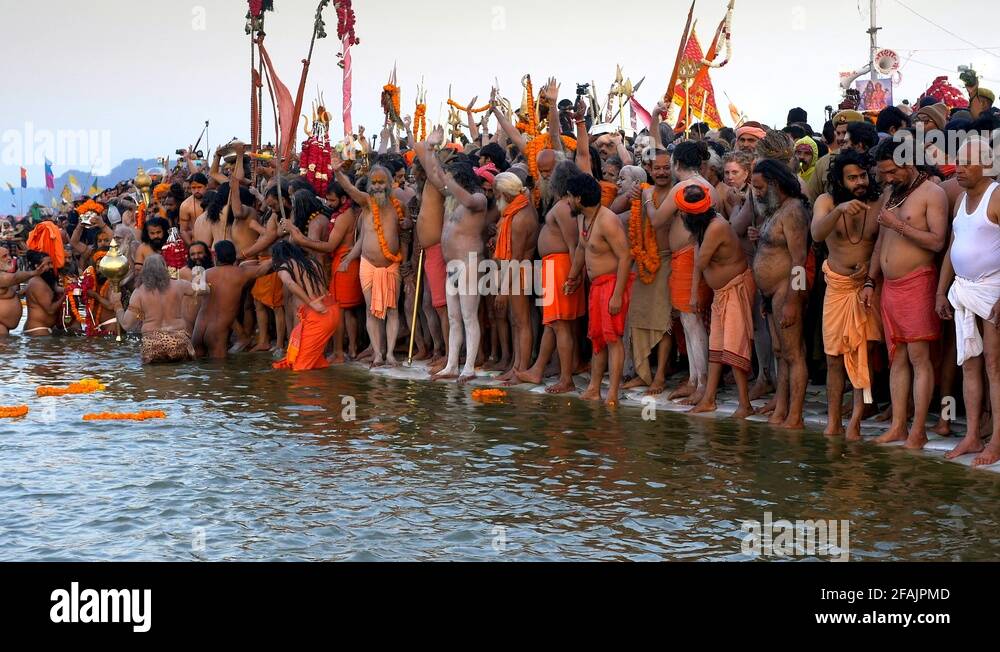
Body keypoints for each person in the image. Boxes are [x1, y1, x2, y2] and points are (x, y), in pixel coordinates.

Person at [868, 136, 948, 449]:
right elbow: (879, 244)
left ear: (908, 162)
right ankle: (899, 425)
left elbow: (937, 242)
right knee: (896, 358)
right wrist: (870, 282)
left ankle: (918, 430)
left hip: (918, 282)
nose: (886, 178)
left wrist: (898, 224)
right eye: (882, 173)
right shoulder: (891, 193)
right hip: (889, 287)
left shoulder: (933, 192)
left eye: (891, 171)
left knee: (918, 357)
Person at [812, 149, 884, 440]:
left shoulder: (879, 202)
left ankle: (855, 419)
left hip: (865, 287)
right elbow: (816, 233)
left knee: (862, 354)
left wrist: (870, 279)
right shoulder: (826, 201)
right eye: (852, 178)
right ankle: (833, 420)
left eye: (862, 176)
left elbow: (881, 245)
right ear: (840, 181)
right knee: (833, 358)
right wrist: (839, 211)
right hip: (837, 287)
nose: (859, 182)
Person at [936, 138, 1000, 465]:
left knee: (994, 366)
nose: (958, 169)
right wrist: (940, 291)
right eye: (957, 162)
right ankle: (973, 434)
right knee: (969, 365)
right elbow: (952, 248)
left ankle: (997, 441)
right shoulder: (960, 198)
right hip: (962, 291)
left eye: (966, 163)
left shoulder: (997, 196)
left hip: (992, 290)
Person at [418, 127, 488, 383]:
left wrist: (449, 182)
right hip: (452, 266)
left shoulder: (478, 198)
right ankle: (451, 364)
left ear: (461, 179)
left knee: (469, 316)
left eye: (451, 179)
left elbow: (469, 201)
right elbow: (433, 172)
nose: (445, 183)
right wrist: (430, 147)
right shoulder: (451, 196)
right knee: (453, 317)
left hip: (470, 263)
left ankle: (468, 366)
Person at [684, 185, 757, 418]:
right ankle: (709, 399)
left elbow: (700, 261)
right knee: (716, 346)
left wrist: (694, 295)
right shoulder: (704, 226)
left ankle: (745, 404)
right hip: (721, 293)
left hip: (735, 289)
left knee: (734, 348)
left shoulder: (715, 227)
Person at [515, 161, 587, 393]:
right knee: (552, 323)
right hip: (554, 266)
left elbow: (574, 244)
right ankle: (537, 371)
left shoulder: (564, 207)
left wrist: (573, 275)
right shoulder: (562, 204)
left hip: (561, 267)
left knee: (560, 325)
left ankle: (566, 379)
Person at [750, 159, 811, 429]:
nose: (757, 193)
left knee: (794, 353)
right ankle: (782, 407)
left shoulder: (793, 211)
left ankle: (794, 415)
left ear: (775, 184)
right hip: (771, 293)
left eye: (760, 187)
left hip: (786, 291)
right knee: (781, 352)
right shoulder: (776, 210)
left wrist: (793, 302)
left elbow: (799, 260)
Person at [335, 157, 409, 367]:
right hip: (368, 264)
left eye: (381, 182)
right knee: (370, 310)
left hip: (392, 264)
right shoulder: (366, 203)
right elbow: (349, 189)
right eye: (374, 183)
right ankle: (378, 354)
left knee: (392, 310)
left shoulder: (398, 206)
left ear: (389, 184)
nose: (377, 187)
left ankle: (391, 354)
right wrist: (338, 173)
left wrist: (408, 223)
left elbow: (405, 234)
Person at [566, 174, 633, 406]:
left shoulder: (607, 220)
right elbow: (581, 249)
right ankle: (594, 388)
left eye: (569, 197)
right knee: (597, 338)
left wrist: (617, 295)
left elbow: (626, 256)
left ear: (579, 198)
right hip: (596, 287)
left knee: (613, 339)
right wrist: (572, 277)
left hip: (613, 284)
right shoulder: (583, 218)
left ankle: (612, 393)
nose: (567, 201)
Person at [110, 254, 203, 364]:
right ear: (165, 267)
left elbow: (126, 324)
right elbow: (203, 289)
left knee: (152, 378)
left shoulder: (139, 292)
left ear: (144, 271)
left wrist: (117, 304)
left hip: (153, 345)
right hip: (178, 342)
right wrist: (199, 272)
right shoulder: (179, 285)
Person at [490, 171, 537, 383]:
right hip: (515, 271)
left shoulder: (520, 217)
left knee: (522, 322)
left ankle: (521, 370)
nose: (494, 197)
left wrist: (502, 290)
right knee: (517, 322)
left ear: (506, 195)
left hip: (520, 272)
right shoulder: (518, 208)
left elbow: (517, 257)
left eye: (495, 193)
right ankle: (516, 367)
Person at [192, 240, 273, 359]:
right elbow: (265, 268)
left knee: (198, 369)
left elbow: (196, 291)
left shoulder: (203, 273)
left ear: (215, 256)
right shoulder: (241, 273)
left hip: (198, 330)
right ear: (234, 256)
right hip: (217, 333)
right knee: (221, 373)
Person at [272, 240, 341, 372]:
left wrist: (311, 303)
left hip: (319, 315)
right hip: (333, 310)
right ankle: (321, 390)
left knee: (300, 369)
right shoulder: (313, 262)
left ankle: (309, 392)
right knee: (314, 363)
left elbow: (290, 284)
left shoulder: (284, 267)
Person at [0, 247, 51, 337]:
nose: (9, 258)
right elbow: (15, 278)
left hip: (5, 327)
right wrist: (34, 273)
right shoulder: (3, 277)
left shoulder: (6, 275)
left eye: (9, 255)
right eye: (4, 256)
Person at [22, 251, 64, 337]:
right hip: (37, 330)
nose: (51, 266)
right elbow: (50, 310)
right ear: (37, 266)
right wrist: (66, 295)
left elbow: (57, 289)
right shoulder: (37, 283)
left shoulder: (44, 280)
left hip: (43, 329)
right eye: (47, 264)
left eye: (51, 263)